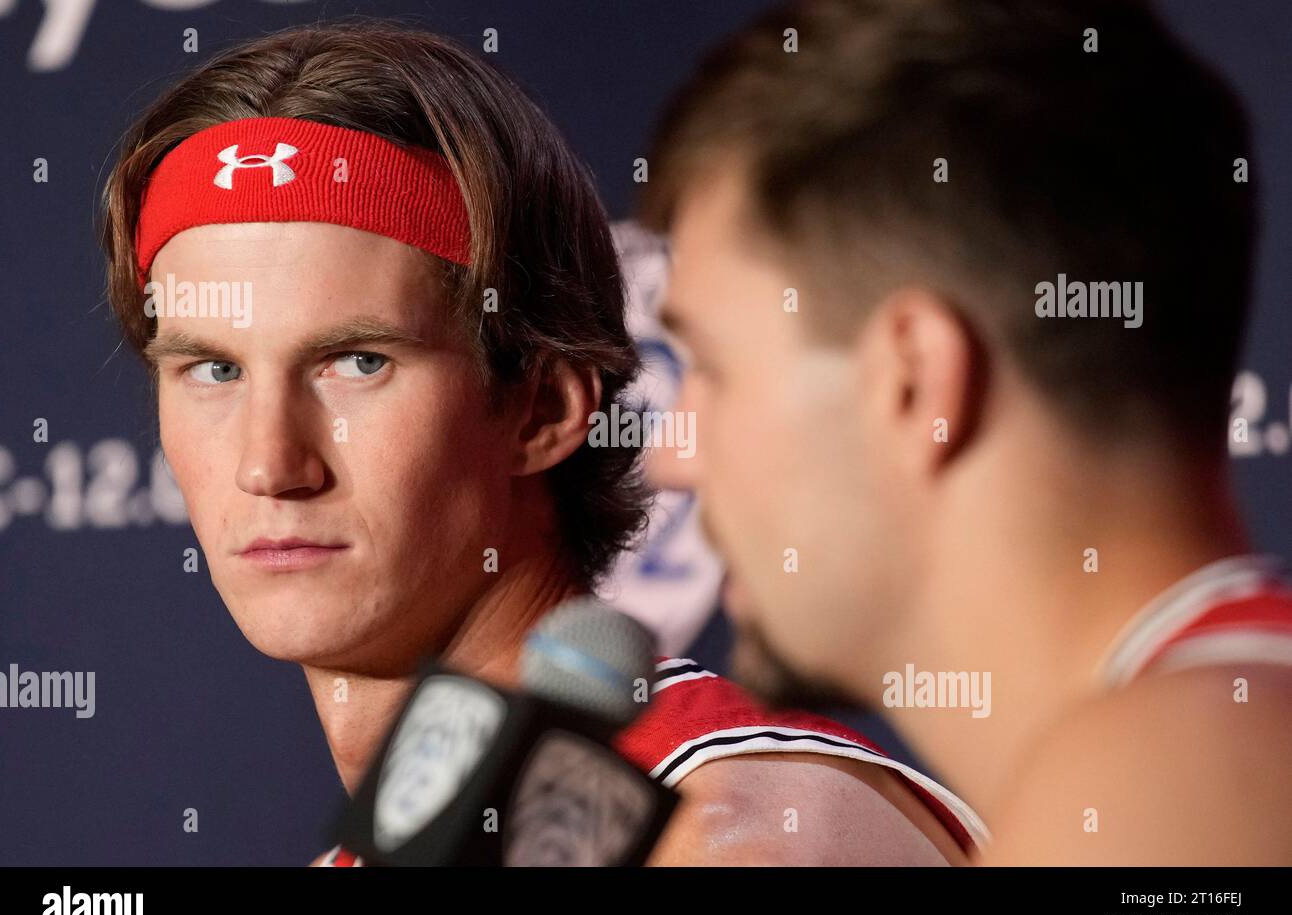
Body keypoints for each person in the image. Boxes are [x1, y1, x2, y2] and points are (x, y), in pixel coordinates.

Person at [99, 20, 985, 866]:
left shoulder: (732, 833)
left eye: (357, 361)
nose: (269, 464)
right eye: (212, 371)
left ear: (545, 409)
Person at [639, 0, 1292, 864]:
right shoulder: (1199, 748)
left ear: (915, 380)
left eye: (713, 369)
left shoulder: (1165, 781)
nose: (670, 456)